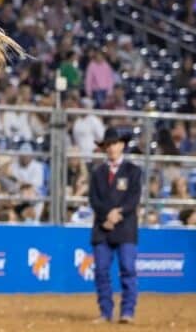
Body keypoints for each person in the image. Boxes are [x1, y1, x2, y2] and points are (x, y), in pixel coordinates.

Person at [88, 128, 141, 324]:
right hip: (103, 227)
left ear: (122, 145)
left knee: (128, 269)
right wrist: (107, 216)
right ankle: (105, 312)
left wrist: (117, 214)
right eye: (108, 144)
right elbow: (93, 199)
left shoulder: (134, 171)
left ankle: (127, 311)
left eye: (115, 143)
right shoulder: (97, 173)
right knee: (101, 271)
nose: (111, 148)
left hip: (125, 227)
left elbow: (133, 198)